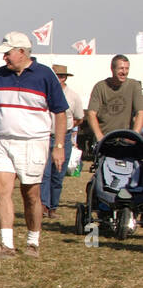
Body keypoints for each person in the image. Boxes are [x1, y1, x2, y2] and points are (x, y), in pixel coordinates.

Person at [0, 32, 67, 258]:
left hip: (33, 142)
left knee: (31, 194)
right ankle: (6, 244)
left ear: (22, 52)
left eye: (8, 54)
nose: (4, 59)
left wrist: (58, 145)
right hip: (1, 141)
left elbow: (60, 112)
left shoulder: (45, 76)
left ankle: (33, 242)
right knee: (1, 189)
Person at [40, 64, 82, 218]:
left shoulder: (73, 96)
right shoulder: (44, 92)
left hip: (64, 136)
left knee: (58, 175)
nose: (59, 79)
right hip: (45, 135)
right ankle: (43, 206)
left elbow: (79, 117)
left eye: (61, 76)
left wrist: (66, 128)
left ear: (65, 78)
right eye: (56, 76)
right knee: (44, 174)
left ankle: (53, 207)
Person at [85, 55, 143, 143]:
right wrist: (99, 136)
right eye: (121, 68)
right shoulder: (100, 87)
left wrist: (134, 135)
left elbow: (140, 112)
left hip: (126, 139)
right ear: (112, 68)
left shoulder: (134, 85)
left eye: (127, 68)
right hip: (106, 138)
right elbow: (91, 114)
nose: (124, 72)